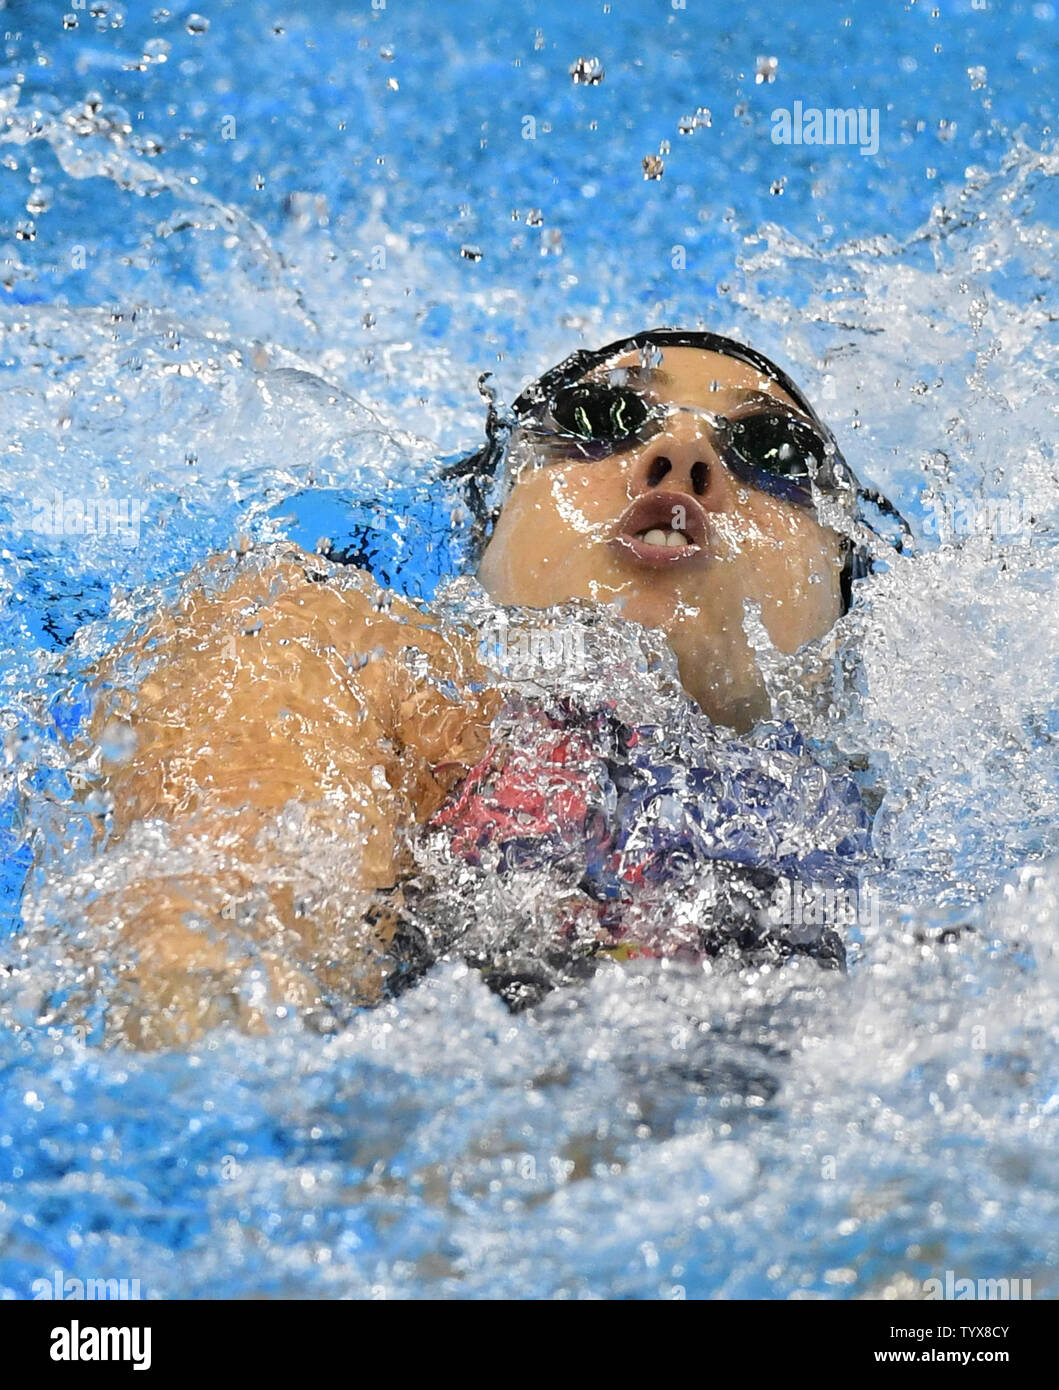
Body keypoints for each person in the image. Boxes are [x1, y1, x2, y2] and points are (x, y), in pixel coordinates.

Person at [50, 329, 909, 1045]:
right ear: (486, 524)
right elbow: (203, 991)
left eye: (769, 452)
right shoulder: (328, 654)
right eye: (601, 417)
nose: (677, 455)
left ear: (845, 592)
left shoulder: (939, 791)